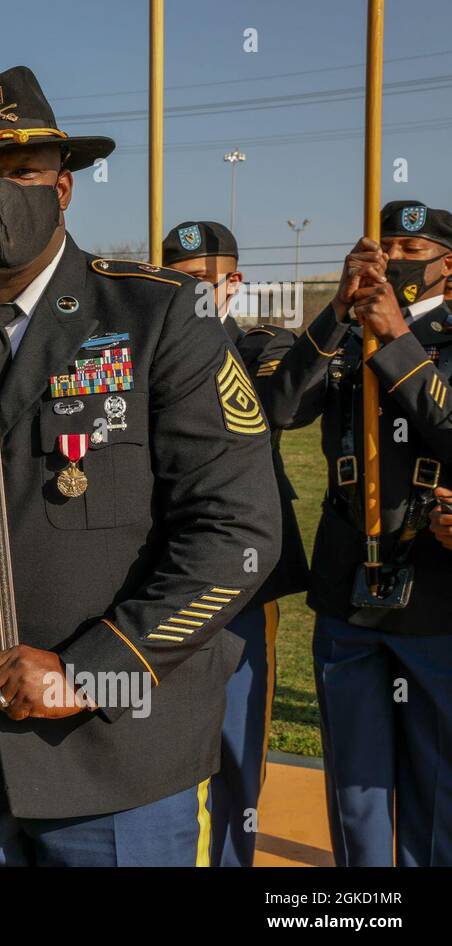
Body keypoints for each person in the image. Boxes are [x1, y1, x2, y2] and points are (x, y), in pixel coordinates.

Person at [0, 66, 280, 867]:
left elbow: (238, 534)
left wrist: (92, 670)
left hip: (119, 757)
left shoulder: (160, 315)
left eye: (23, 172)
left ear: (65, 186)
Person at [258, 200, 452, 866]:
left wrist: (396, 337)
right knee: (354, 789)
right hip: (348, 587)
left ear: (447, 266)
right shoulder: (339, 333)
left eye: (411, 250)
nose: (394, 260)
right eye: (383, 247)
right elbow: (279, 408)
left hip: (434, 589)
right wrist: (339, 310)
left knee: (435, 784)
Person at [161, 221, 311, 866]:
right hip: (163, 582)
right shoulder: (141, 346)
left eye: (199, 281)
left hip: (245, 587)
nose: (185, 290)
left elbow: (279, 405)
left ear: (233, 284)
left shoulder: (262, 343)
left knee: (237, 754)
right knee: (169, 756)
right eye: (176, 277)